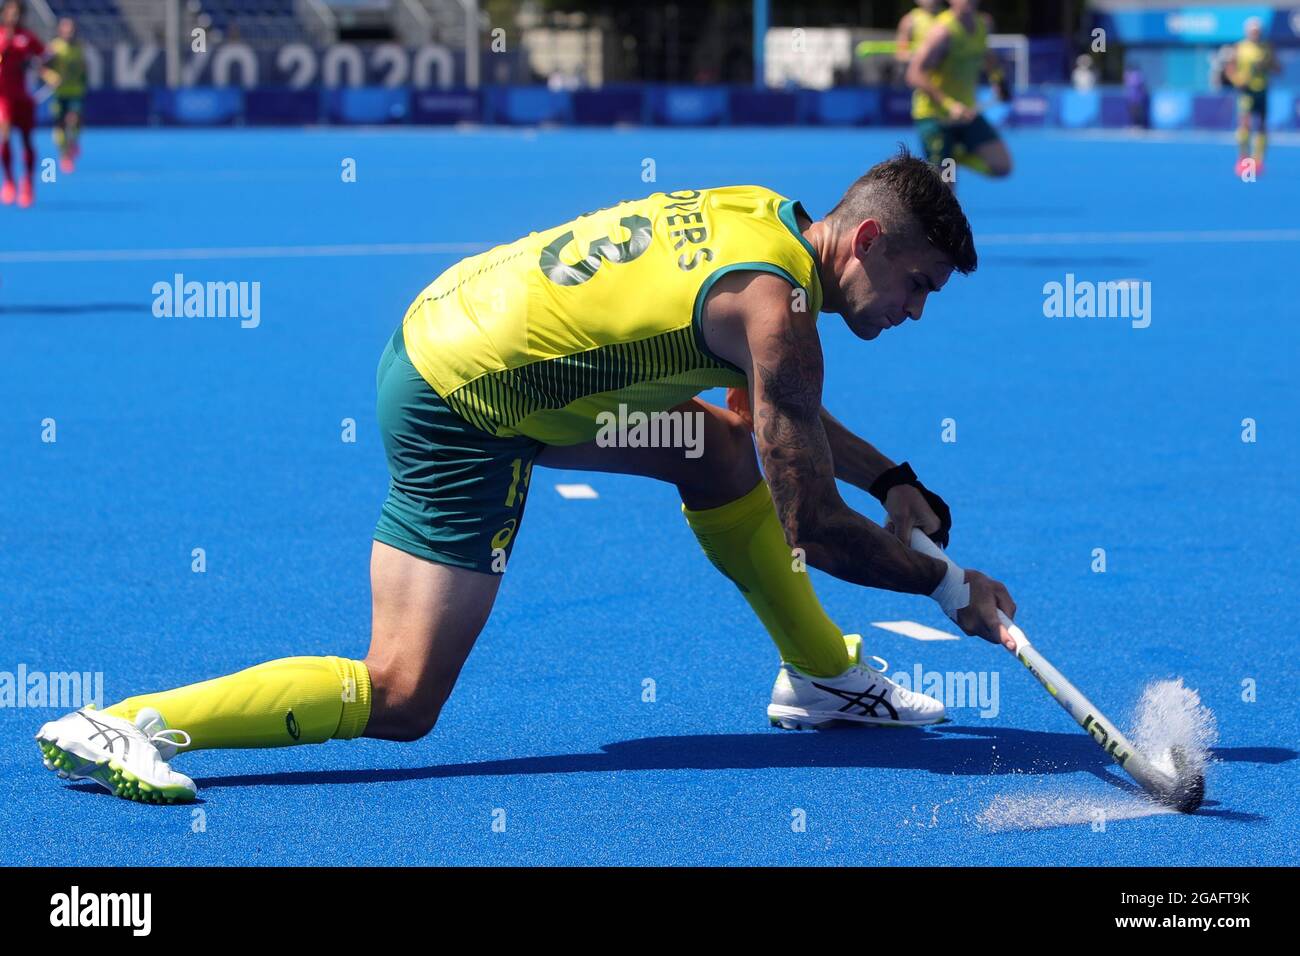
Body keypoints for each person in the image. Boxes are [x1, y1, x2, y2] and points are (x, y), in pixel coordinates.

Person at [36, 153, 1018, 803]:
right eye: (918, 285)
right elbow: (811, 520)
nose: (914, 311)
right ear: (870, 241)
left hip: (454, 328)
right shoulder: (775, 309)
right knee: (402, 693)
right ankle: (131, 721)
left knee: (716, 446)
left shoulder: (764, 220)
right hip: (462, 405)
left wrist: (891, 473)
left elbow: (776, 406)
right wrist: (946, 583)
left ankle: (821, 678)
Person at [905, 0, 1012, 186]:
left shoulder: (982, 24)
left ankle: (957, 156)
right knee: (946, 191)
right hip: (936, 118)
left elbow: (986, 55)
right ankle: (950, 157)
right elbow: (914, 74)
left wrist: (998, 80)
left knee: (1002, 166)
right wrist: (949, 104)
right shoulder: (942, 32)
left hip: (967, 114)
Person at [0, 0, 43, 207]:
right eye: (10, 12)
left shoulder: (27, 37)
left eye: (17, 13)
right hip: (3, 97)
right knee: (5, 137)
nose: (14, 17)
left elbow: (44, 57)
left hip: (22, 96)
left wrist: (36, 65)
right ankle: (9, 181)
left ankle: (28, 184)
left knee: (27, 141)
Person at [1225, 17, 1279, 176]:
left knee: (1261, 125)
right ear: (1248, 32)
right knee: (1245, 124)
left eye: (1258, 31)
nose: (1256, 34)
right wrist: (1237, 81)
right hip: (1246, 91)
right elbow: (1230, 69)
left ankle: (1258, 161)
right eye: (1253, 31)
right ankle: (1243, 159)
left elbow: (1277, 68)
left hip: (1262, 91)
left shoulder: (1267, 48)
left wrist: (1267, 65)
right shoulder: (1240, 47)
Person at [42, 16, 84, 174]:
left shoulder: (79, 47)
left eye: (71, 29)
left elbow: (83, 67)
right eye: (66, 28)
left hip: (75, 91)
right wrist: (51, 77)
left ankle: (73, 143)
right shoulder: (54, 47)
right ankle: (64, 155)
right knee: (60, 124)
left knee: (74, 119)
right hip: (59, 92)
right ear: (60, 30)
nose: (69, 32)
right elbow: (43, 66)